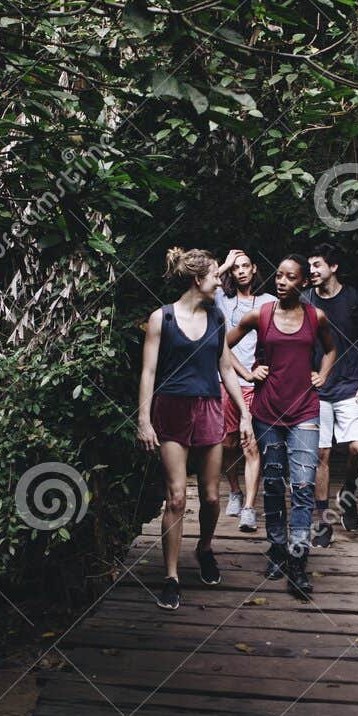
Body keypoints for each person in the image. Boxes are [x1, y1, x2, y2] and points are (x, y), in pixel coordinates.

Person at [136, 248, 254, 610]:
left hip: (209, 409)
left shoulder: (216, 317)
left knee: (212, 497)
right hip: (170, 409)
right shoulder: (163, 318)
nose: (221, 280)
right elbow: (149, 372)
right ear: (197, 281)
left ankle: (204, 548)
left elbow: (225, 369)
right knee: (175, 497)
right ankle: (171, 576)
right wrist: (143, 419)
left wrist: (244, 414)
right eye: (216, 277)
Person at [225, 255, 336, 601]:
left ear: (303, 283)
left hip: (305, 410)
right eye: (278, 276)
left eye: (290, 277)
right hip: (268, 411)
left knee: (302, 485)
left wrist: (323, 373)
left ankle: (298, 560)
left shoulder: (316, 317)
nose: (281, 281)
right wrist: (246, 373)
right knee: (273, 483)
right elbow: (221, 345)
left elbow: (331, 350)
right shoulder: (261, 315)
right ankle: (276, 549)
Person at [304, 241, 358, 547]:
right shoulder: (306, 300)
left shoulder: (356, 301)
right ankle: (323, 520)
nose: (312, 271)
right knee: (321, 453)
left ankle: (348, 490)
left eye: (317, 265)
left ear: (333, 267)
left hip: (350, 386)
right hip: (318, 390)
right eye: (310, 266)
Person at [215, 249, 275, 533]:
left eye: (244, 266)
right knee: (228, 444)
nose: (240, 271)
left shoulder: (268, 302)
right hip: (225, 381)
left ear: (254, 269)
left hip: (256, 384)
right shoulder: (222, 300)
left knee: (250, 443)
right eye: (235, 268)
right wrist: (224, 265)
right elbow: (203, 282)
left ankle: (249, 508)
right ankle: (235, 491)